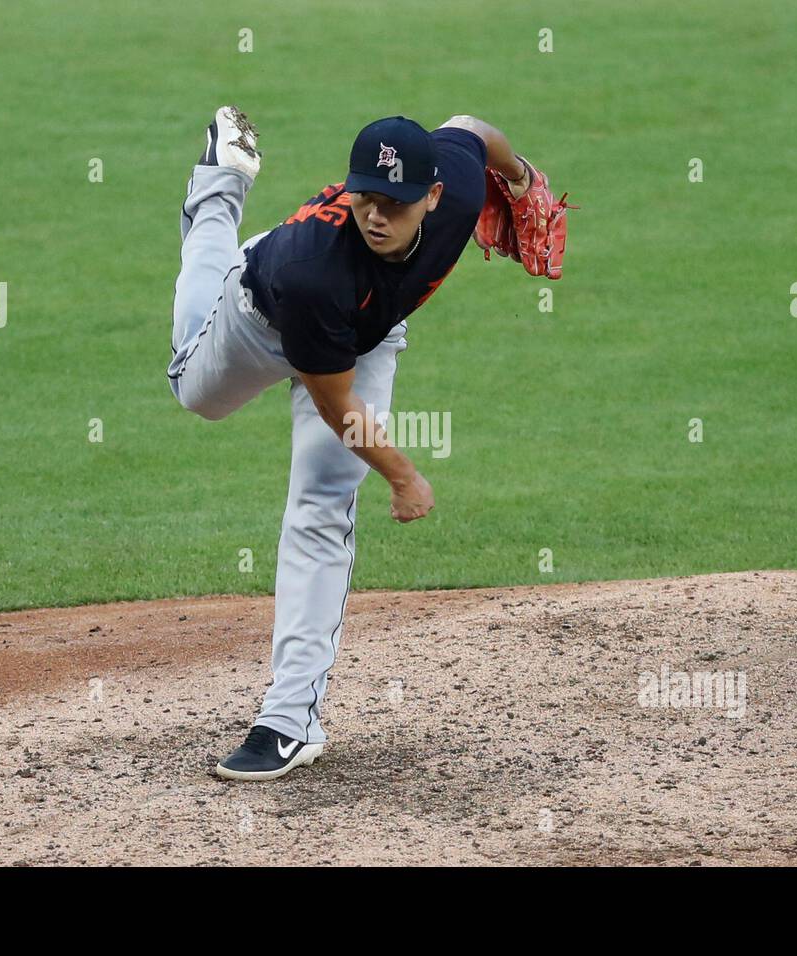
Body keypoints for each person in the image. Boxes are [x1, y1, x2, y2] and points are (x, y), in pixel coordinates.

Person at [169, 106, 543, 781]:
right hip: (261, 314)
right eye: (364, 195)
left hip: (364, 335)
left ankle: (287, 721)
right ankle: (219, 185)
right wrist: (404, 475)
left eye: (393, 204)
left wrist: (519, 179)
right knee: (195, 393)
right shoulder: (317, 271)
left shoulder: (455, 184)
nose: (375, 214)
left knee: (320, 504)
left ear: (431, 197)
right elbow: (337, 406)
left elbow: (472, 127)